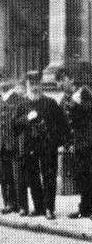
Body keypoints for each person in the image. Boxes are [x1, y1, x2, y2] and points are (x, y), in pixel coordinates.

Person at [15, 70, 69, 220]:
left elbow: (62, 124)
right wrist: (26, 118)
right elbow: (15, 126)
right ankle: (38, 207)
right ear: (27, 85)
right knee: (32, 178)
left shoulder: (50, 103)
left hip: (47, 145)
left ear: (41, 84)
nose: (35, 87)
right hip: (30, 146)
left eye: (37, 84)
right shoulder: (22, 104)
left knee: (49, 177)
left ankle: (49, 208)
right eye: (31, 84)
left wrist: (59, 141)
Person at [59, 69, 92, 221]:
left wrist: (78, 105)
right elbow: (64, 124)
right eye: (58, 81)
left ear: (71, 80)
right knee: (81, 177)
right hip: (77, 144)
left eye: (62, 79)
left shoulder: (83, 93)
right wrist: (66, 142)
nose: (59, 84)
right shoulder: (64, 100)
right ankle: (85, 209)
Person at [0, 78, 19, 213]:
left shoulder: (16, 99)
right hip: (1, 143)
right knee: (3, 175)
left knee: (13, 174)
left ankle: (15, 203)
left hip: (12, 143)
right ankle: (7, 202)